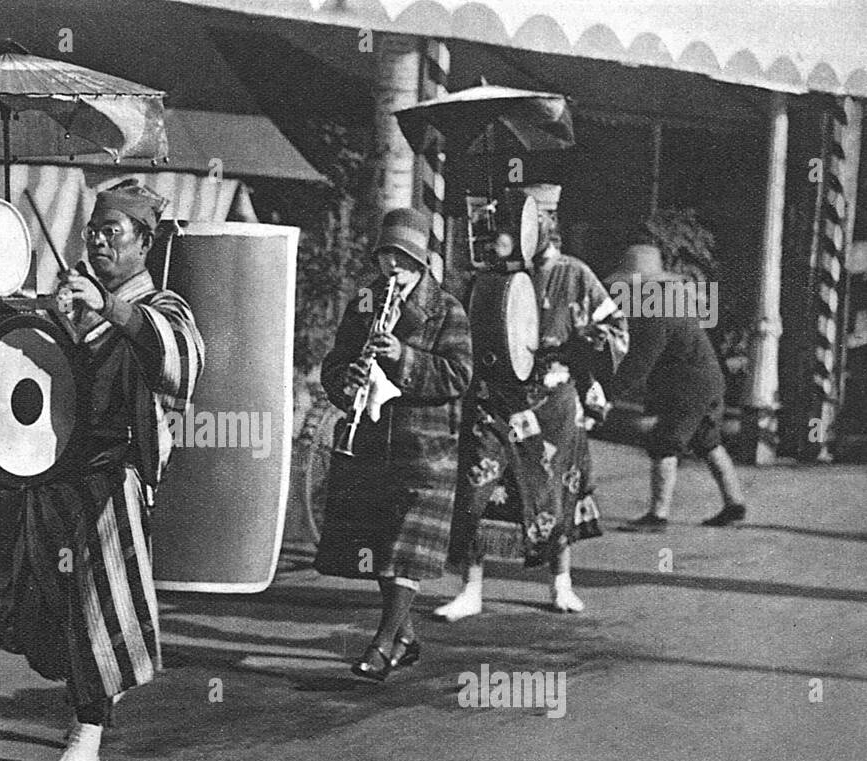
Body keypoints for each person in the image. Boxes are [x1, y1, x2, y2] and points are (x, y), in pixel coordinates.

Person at [0, 179, 204, 761]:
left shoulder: (162, 307)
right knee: (48, 607)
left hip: (114, 476)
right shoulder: (73, 300)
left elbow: (179, 359)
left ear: (145, 244)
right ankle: (90, 705)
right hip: (53, 473)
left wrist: (108, 308)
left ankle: (87, 733)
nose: (99, 243)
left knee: (98, 602)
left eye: (113, 234)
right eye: (94, 232)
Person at [438, 184, 628, 620]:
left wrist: (580, 350)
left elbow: (616, 329)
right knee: (477, 489)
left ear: (546, 226)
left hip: (554, 400)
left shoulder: (574, 274)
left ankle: (561, 581)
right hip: (495, 398)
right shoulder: (492, 274)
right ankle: (471, 588)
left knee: (555, 492)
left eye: (523, 226)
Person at [314, 207, 473, 680]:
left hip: (424, 448)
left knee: (405, 548)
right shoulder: (365, 302)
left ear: (422, 264)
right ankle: (404, 636)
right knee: (383, 547)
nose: (394, 270)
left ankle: (382, 643)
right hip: (371, 441)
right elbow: (333, 363)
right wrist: (350, 379)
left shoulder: (447, 309)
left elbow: (459, 375)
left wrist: (404, 357)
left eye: (404, 261)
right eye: (387, 259)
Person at [607, 243, 746, 529]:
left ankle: (658, 515)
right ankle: (734, 504)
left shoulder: (655, 313)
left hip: (687, 387)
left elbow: (639, 363)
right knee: (708, 442)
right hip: (707, 381)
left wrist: (608, 394)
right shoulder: (671, 302)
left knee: (664, 443)